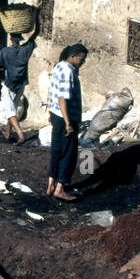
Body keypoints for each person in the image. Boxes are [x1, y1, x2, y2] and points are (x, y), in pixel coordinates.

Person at [47, 43, 88, 201]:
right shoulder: (68, 71)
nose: (82, 63)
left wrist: (52, 112)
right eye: (81, 59)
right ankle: (60, 188)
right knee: (68, 153)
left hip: (56, 115)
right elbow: (62, 98)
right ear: (73, 56)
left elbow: (53, 92)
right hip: (66, 118)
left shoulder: (59, 66)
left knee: (56, 149)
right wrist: (69, 123)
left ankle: (51, 182)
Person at [0, 30, 36, 143]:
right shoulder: (25, 50)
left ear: (11, 39)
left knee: (10, 112)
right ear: (20, 40)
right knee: (12, 109)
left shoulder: (5, 52)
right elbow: (35, 34)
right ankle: (8, 132)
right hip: (21, 86)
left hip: (9, 86)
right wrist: (36, 17)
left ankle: (21, 136)